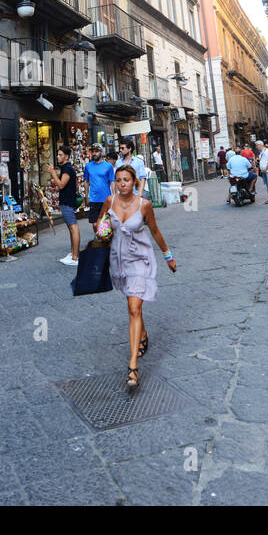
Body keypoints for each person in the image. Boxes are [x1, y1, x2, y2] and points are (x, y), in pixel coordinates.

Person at [97, 165, 176, 390]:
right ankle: (142, 331)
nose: (122, 184)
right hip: (119, 260)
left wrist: (168, 255)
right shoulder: (109, 202)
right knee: (133, 305)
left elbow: (155, 231)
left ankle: (132, 367)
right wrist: (101, 230)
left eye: (127, 180)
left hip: (140, 259)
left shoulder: (144, 205)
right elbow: (100, 224)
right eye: (119, 180)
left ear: (134, 183)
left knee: (134, 308)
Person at [47, 145, 81, 266]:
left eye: (60, 155)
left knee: (73, 228)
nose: (58, 156)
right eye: (58, 154)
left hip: (67, 201)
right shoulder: (66, 168)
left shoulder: (67, 169)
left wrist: (52, 173)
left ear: (66, 156)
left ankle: (75, 256)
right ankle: (73, 253)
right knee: (72, 228)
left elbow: (61, 185)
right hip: (67, 201)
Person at [83, 144, 115, 236]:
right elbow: (86, 181)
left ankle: (105, 240)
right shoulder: (88, 166)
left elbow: (112, 182)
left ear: (101, 152)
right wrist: (86, 196)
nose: (94, 153)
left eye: (96, 151)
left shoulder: (108, 166)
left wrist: (114, 196)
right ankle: (99, 237)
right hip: (93, 198)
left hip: (106, 199)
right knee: (94, 223)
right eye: (92, 151)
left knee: (105, 222)